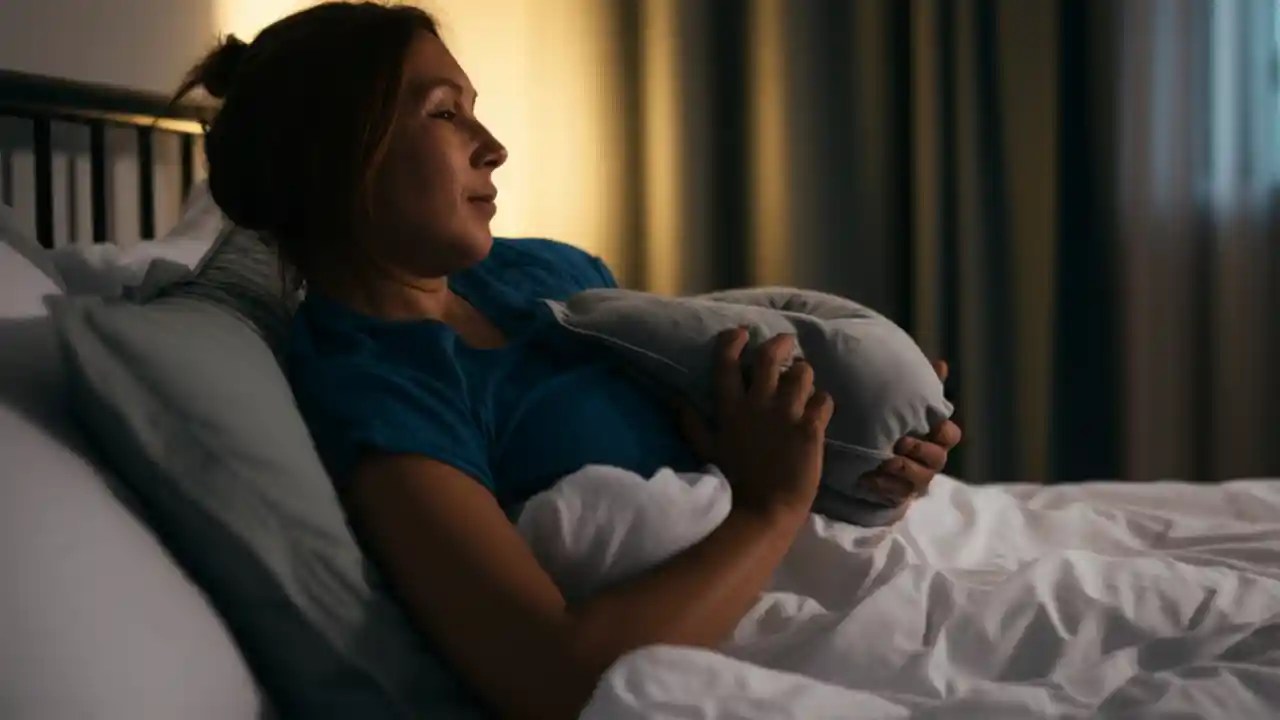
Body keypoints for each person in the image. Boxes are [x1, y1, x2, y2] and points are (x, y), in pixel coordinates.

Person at [177, 3, 962, 718]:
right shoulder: (380, 390)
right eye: (446, 114)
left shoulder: (543, 273)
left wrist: (862, 459)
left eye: (474, 112)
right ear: (337, 154)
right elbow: (554, 677)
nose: (494, 148)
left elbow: (704, 420)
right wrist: (771, 510)